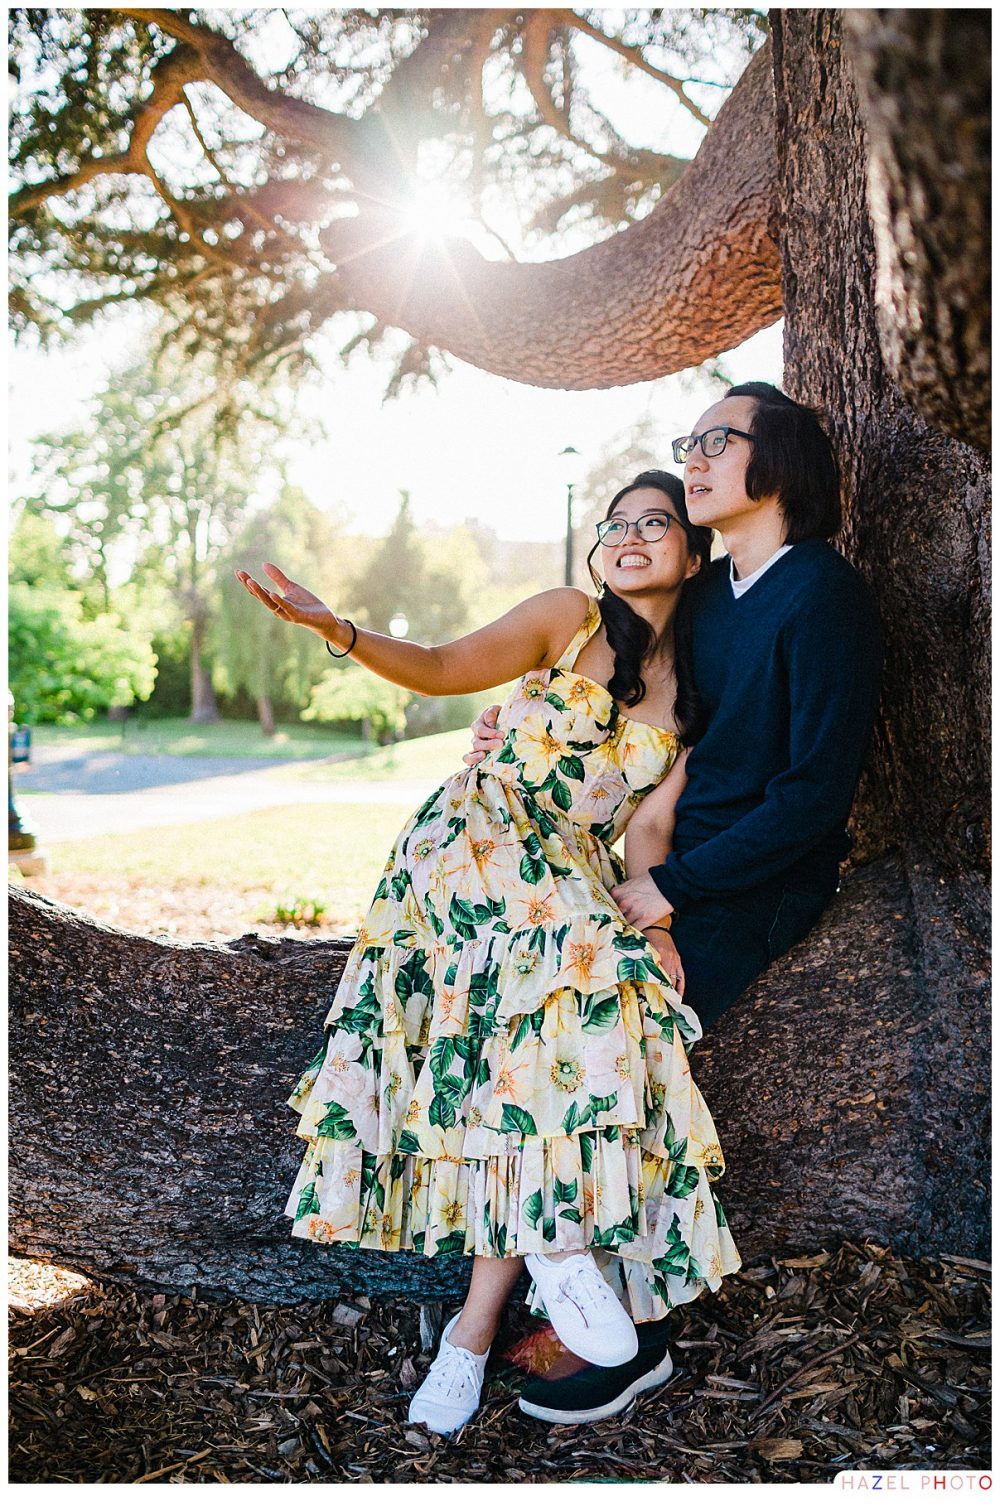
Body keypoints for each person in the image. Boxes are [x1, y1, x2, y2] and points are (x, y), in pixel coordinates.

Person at [236, 471, 742, 1436]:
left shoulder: (695, 698)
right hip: (475, 846)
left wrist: (662, 923)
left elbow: (648, 834)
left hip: (569, 876)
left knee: (554, 1051)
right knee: (584, 968)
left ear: (693, 549)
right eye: (616, 523)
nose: (630, 537)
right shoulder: (567, 616)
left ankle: (473, 1333)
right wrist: (335, 628)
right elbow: (437, 665)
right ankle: (554, 1258)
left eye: (656, 523)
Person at [467, 382, 882, 1423]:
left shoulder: (821, 594)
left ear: (775, 462)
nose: (692, 461)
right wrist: (507, 722)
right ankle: (563, 1271)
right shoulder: (707, 598)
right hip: (658, 865)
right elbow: (619, 693)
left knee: (615, 1037)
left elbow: (813, 796)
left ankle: (630, 1329)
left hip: (752, 889)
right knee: (524, 1008)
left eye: (715, 442)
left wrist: (671, 893)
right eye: (686, 444)